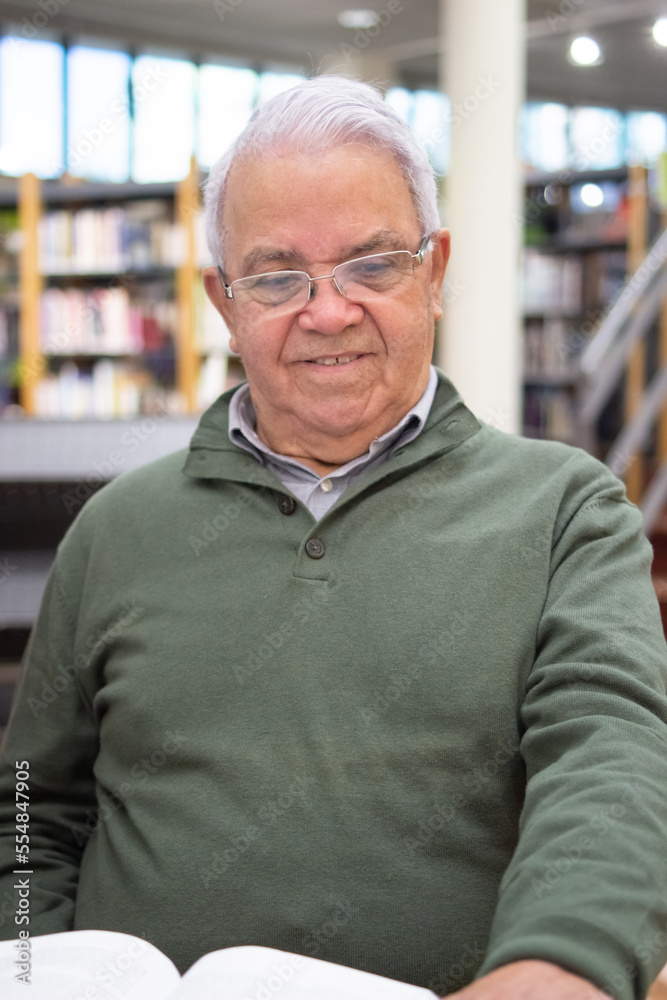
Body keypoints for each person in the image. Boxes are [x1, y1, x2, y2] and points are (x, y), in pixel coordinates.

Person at [1, 75, 667, 1000]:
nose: (327, 311)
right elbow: (29, 808)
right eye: (277, 277)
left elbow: (611, 764)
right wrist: (27, 962)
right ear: (224, 303)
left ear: (433, 272)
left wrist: (559, 964)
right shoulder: (116, 528)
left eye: (371, 264)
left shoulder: (564, 512)